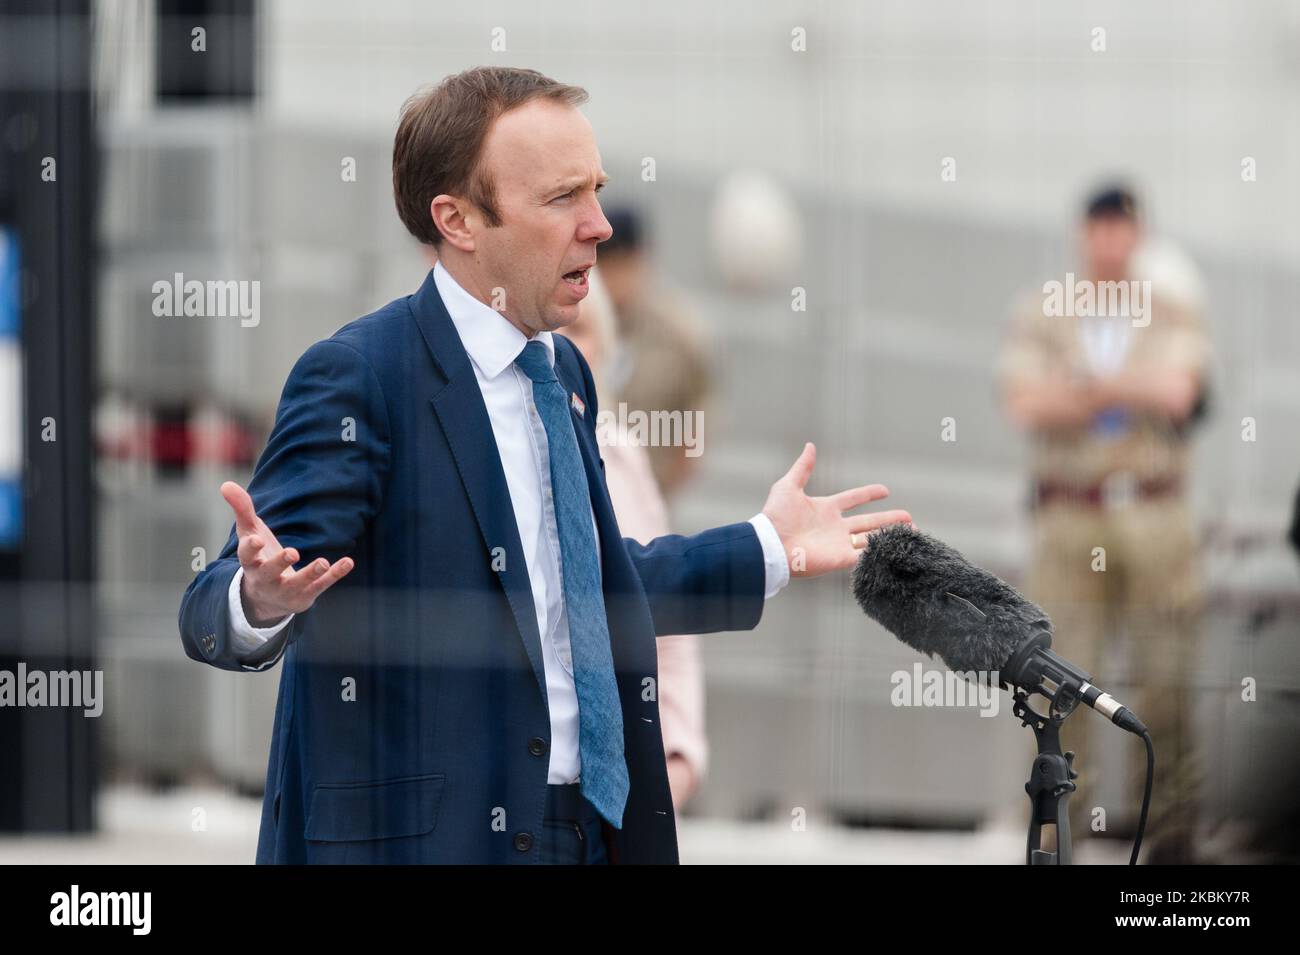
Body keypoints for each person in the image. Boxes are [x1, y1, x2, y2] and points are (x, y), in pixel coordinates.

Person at [178, 66, 910, 864]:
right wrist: (258, 596)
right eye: (563, 198)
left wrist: (769, 545)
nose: (598, 224)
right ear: (457, 219)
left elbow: (584, 590)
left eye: (595, 190)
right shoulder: (360, 374)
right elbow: (213, 603)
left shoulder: (563, 374)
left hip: (582, 834)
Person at [998, 186, 1211, 862]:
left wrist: (1089, 385)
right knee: (1054, 678)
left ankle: (1172, 837)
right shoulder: (1043, 311)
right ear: (1082, 233)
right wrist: (1126, 384)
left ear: (1138, 234)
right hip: (1071, 512)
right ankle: (1055, 832)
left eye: (1122, 228)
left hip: (1152, 509)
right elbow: (1026, 402)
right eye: (1099, 227)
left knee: (1167, 676)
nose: (1109, 241)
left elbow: (1180, 391)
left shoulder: (1170, 307)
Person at [562, 268, 708, 812]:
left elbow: (668, 626)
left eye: (582, 331)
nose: (565, 348)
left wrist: (680, 755)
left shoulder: (624, 458)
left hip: (624, 790)